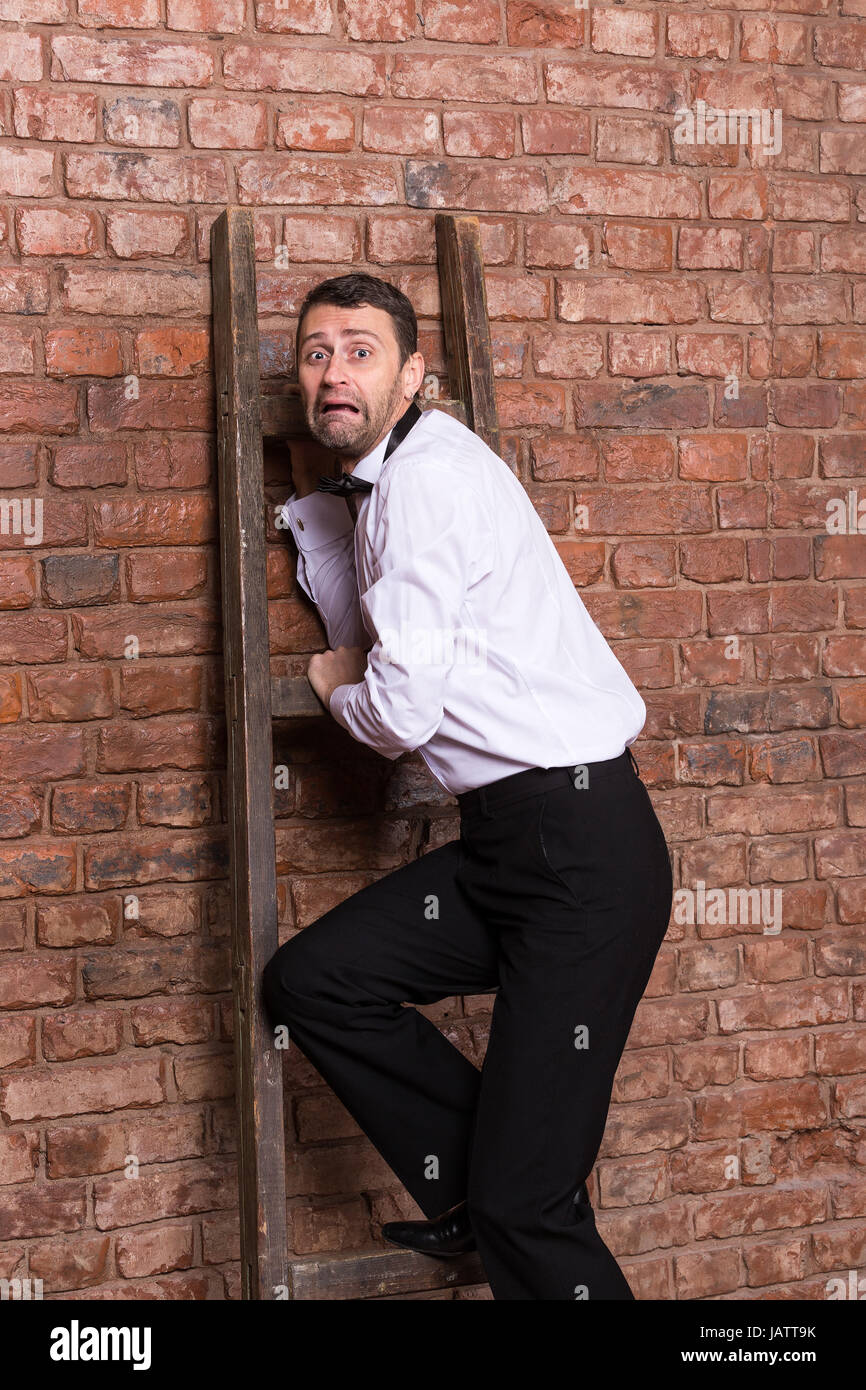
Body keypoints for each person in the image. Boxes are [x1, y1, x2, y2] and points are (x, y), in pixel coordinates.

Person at [262, 272, 673, 1300]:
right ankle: (468, 1187)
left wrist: (332, 690)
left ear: (413, 375)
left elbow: (398, 713)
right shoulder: (403, 478)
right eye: (315, 353)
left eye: (359, 350)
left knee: (528, 1206)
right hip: (511, 844)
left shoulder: (425, 482)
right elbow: (395, 608)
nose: (332, 372)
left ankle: (493, 1196)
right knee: (317, 981)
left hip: (576, 846)